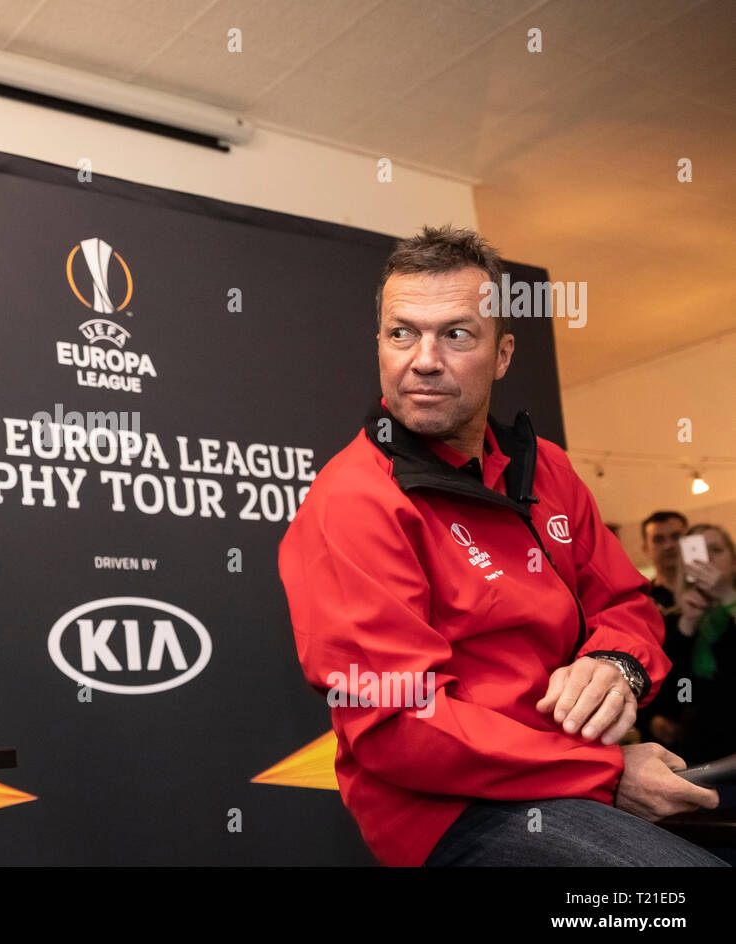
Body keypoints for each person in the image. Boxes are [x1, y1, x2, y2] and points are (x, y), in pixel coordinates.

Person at [277, 225, 724, 866]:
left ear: (504, 353)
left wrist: (616, 667)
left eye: (456, 334)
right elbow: (397, 727)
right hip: (452, 811)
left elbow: (627, 605)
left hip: (572, 777)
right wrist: (603, 768)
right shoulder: (352, 501)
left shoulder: (546, 468)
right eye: (402, 332)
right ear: (379, 344)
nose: (423, 359)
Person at [667, 523, 736, 767]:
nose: (707, 559)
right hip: (699, 751)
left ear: (734, 561)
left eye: (716, 550)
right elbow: (678, 692)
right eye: (698, 552)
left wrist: (728, 597)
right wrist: (686, 624)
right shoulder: (676, 619)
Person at [634, 510, 689, 748]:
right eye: (658, 539)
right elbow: (631, 660)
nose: (668, 545)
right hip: (661, 728)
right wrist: (646, 719)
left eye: (676, 536)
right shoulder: (637, 603)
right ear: (646, 547)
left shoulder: (719, 595)